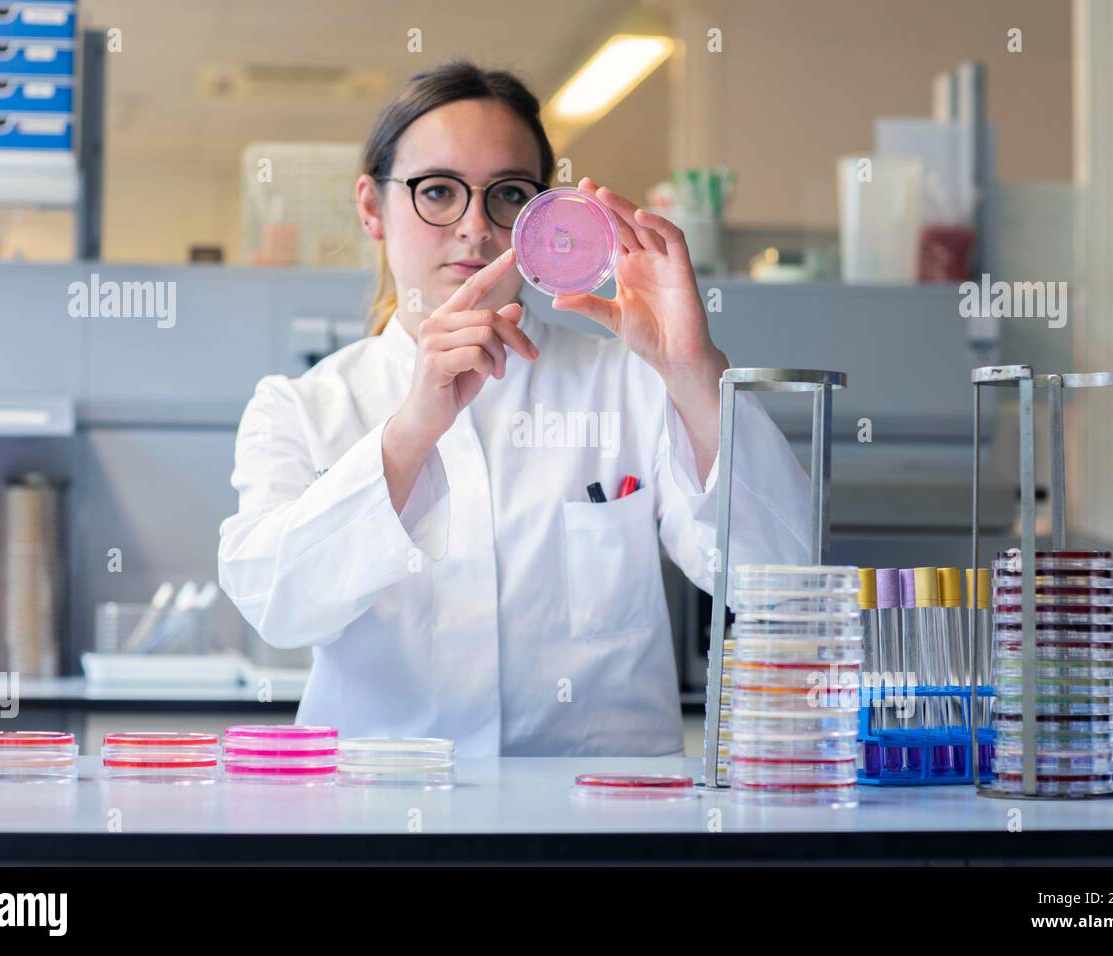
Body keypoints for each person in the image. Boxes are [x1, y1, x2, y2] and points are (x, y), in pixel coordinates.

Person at [218, 60, 810, 756]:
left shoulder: (629, 384)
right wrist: (411, 433)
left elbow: (785, 583)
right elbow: (279, 608)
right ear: (372, 208)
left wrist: (693, 370)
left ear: (542, 217)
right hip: (380, 828)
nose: (474, 226)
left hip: (600, 832)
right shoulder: (299, 408)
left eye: (507, 195)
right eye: (437, 191)